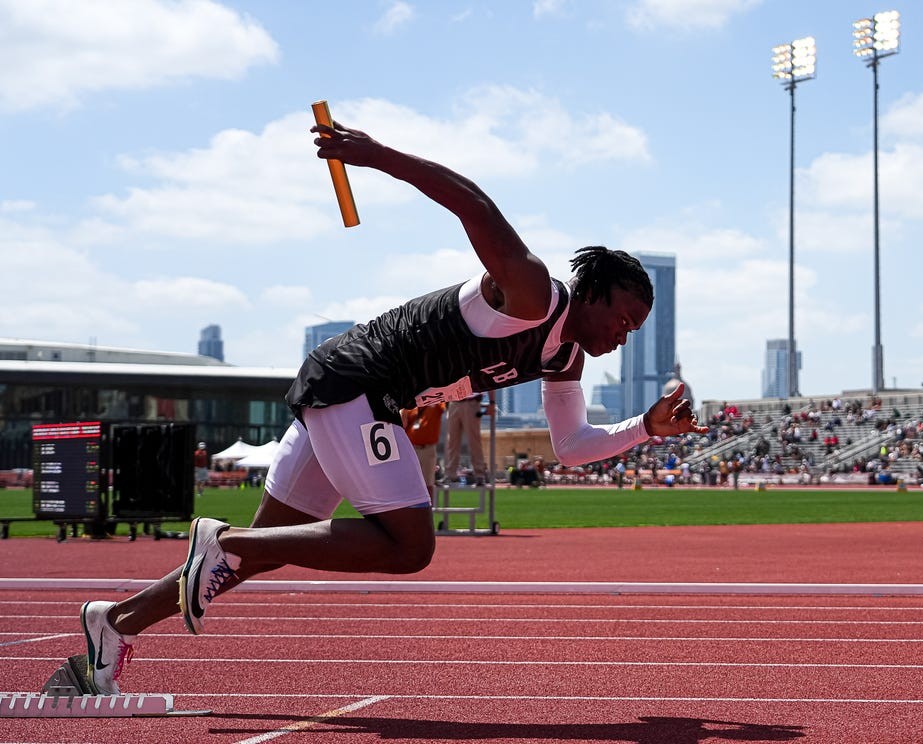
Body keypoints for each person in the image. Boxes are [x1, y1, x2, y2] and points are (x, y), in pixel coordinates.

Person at [75, 117, 709, 695]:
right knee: (408, 547)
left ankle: (116, 621)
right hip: (357, 381)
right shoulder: (532, 292)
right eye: (625, 319)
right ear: (593, 293)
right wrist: (375, 156)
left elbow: (571, 447)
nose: (625, 336)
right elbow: (473, 203)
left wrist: (643, 428)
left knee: (257, 552)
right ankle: (223, 539)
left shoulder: (561, 357)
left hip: (352, 394)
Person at [400, 403, 444, 499]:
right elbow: (403, 425)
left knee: (428, 482)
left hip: (428, 448)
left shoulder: (436, 404)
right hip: (411, 449)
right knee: (409, 482)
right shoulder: (410, 406)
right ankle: (410, 509)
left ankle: (428, 510)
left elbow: (446, 405)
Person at [442, 394, 487, 485]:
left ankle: (479, 475)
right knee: (451, 441)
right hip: (453, 401)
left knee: (474, 441)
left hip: (471, 401)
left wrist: (492, 403)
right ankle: (450, 474)